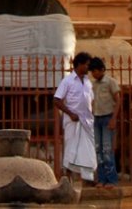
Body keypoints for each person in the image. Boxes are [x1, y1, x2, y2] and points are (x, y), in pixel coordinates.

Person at [52, 52, 96, 186]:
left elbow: (91, 100)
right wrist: (70, 113)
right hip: (73, 121)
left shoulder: (88, 82)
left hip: (87, 121)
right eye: (87, 65)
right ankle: (67, 178)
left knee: (88, 149)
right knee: (72, 149)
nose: (89, 67)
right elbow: (56, 100)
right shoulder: (67, 81)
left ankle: (88, 179)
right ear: (79, 64)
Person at [87, 57, 120, 188]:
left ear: (102, 70)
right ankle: (101, 179)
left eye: (95, 71)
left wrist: (114, 118)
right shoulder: (93, 85)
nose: (94, 74)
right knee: (98, 150)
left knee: (107, 149)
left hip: (107, 117)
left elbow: (118, 100)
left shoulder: (110, 82)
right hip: (97, 118)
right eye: (92, 72)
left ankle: (111, 180)